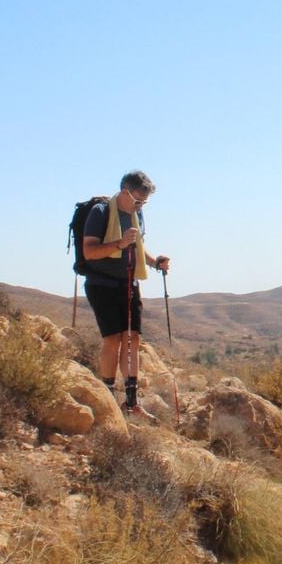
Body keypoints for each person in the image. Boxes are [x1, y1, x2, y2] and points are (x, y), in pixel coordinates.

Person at [81, 171, 170, 415]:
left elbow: (137, 247)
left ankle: (131, 403)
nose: (140, 206)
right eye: (137, 200)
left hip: (128, 282)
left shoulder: (136, 214)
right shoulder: (100, 213)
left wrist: (154, 262)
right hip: (102, 283)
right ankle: (108, 398)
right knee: (112, 340)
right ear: (124, 192)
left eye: (144, 202)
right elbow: (89, 251)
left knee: (132, 338)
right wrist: (119, 244)